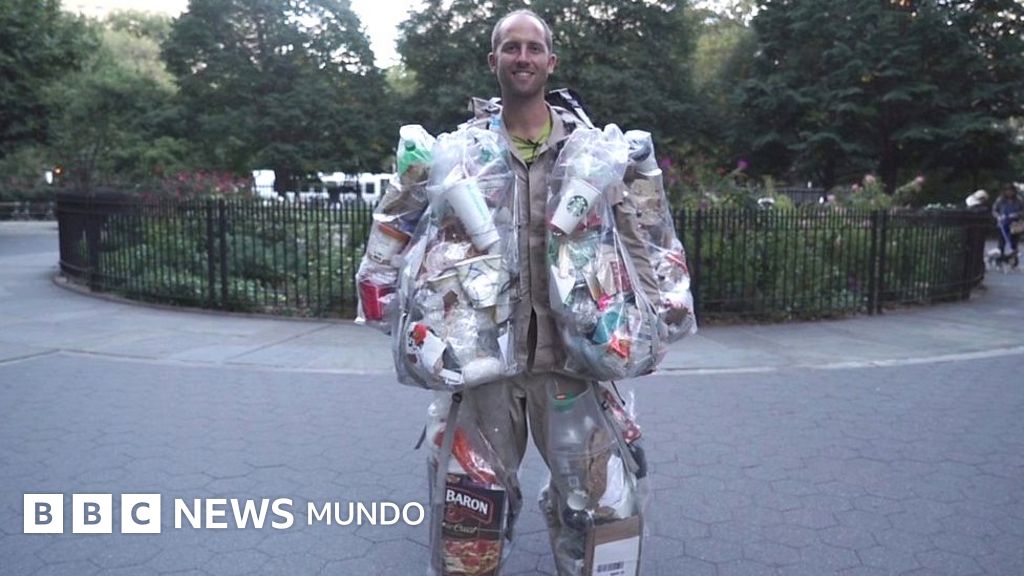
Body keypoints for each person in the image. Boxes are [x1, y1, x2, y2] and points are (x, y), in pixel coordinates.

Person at [361, 9, 683, 576]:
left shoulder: (595, 153)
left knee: (601, 511)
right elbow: (399, 232)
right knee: (471, 516)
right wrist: (390, 303)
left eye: (534, 48)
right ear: (494, 62)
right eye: (511, 48)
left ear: (551, 61)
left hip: (574, 363)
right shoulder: (459, 153)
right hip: (486, 370)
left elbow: (643, 234)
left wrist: (656, 317)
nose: (523, 58)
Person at [992, 183, 1022, 264]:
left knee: (1014, 242)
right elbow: (994, 210)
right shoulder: (1000, 200)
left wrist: (1017, 214)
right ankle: (999, 260)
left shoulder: (1019, 200)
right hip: (1003, 223)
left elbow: (1022, 211)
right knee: (1001, 242)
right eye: (1007, 191)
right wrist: (998, 216)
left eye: (1011, 191)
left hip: (1014, 224)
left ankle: (1014, 261)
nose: (1009, 192)